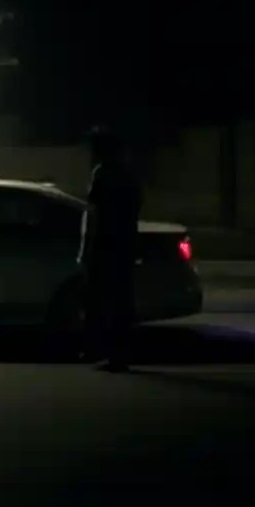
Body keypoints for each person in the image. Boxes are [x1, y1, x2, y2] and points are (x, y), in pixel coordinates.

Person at [78, 125, 142, 372]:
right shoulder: (128, 175)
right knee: (120, 301)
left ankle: (105, 351)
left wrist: (86, 250)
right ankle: (118, 354)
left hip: (106, 245)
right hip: (123, 245)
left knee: (103, 300)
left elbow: (94, 214)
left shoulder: (103, 174)